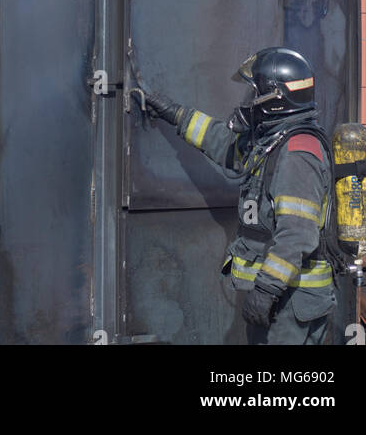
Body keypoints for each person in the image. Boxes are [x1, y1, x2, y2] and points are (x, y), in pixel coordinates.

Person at [144, 46, 337, 345]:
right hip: (284, 300)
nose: (250, 101)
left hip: (290, 305)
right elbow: (222, 141)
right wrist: (172, 112)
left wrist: (266, 290)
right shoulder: (273, 142)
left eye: (255, 93)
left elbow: (297, 235)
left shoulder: (298, 153)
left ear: (275, 100)